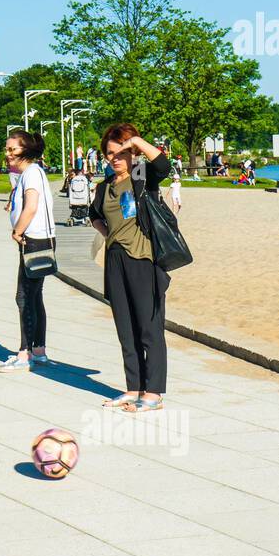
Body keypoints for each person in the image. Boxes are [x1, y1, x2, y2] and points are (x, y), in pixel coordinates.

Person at [90, 124, 171, 414]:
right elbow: (94, 215)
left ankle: (153, 393)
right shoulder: (104, 186)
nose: (115, 158)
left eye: (121, 153)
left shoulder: (140, 177)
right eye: (110, 153)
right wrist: (110, 234)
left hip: (142, 260)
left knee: (149, 329)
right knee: (126, 330)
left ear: (133, 153)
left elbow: (163, 164)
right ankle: (133, 388)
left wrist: (136, 141)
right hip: (115, 261)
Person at [0, 131, 59, 372]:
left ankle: (25, 353)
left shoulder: (31, 173)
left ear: (25, 151)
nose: (8, 153)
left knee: (23, 297)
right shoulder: (31, 173)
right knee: (34, 297)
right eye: (7, 149)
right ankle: (39, 350)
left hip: (33, 240)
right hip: (40, 239)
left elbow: (31, 206)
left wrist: (17, 231)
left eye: (12, 149)